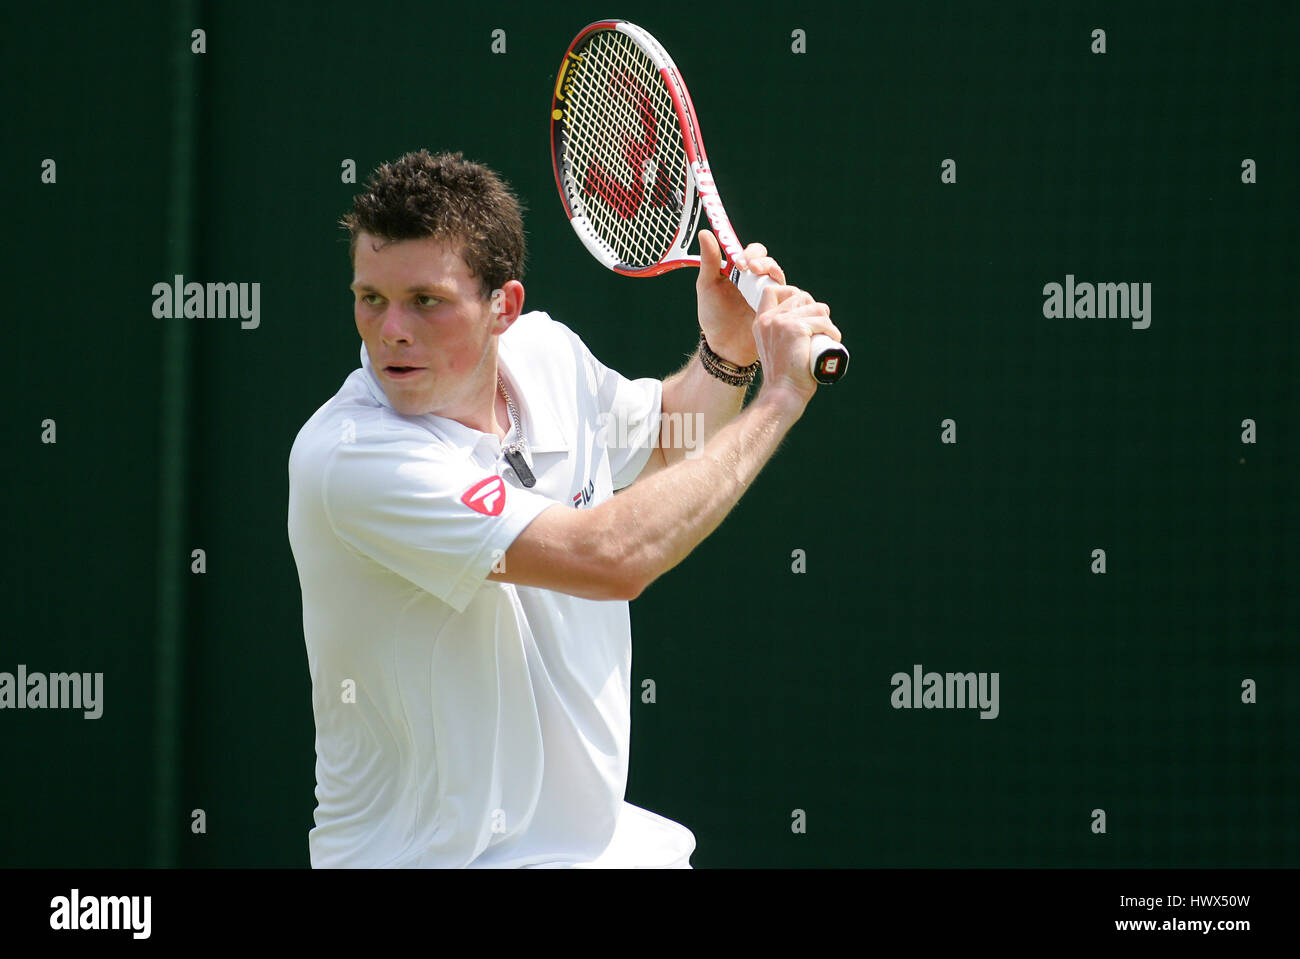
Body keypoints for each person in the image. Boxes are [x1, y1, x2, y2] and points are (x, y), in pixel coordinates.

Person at [287, 149, 840, 868]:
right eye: (371, 297)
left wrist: (728, 350)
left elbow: (672, 438)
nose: (391, 329)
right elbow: (611, 557)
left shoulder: (548, 355)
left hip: (594, 848)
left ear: (503, 308)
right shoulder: (351, 458)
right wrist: (778, 400)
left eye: (426, 301)